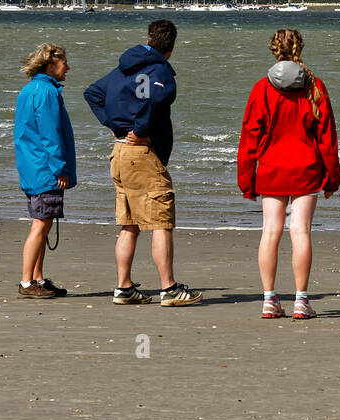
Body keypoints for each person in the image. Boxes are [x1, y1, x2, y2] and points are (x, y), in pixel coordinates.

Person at [84, 20, 200, 307]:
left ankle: (124, 288)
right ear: (172, 46)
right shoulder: (159, 70)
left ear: (149, 39)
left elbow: (93, 93)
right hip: (142, 153)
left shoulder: (126, 67)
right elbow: (153, 98)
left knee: (130, 222)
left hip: (120, 152)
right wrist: (140, 128)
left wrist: (114, 125)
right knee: (161, 222)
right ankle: (169, 288)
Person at [237, 28, 340, 319]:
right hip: (306, 168)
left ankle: (269, 299)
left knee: (270, 231)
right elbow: (327, 139)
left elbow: (249, 139)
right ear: (300, 49)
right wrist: (332, 179)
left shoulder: (261, 89)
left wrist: (246, 181)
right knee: (301, 231)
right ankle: (301, 301)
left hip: (271, 170)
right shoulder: (315, 86)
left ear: (274, 50)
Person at [13, 43, 76, 299]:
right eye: (64, 62)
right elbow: (51, 134)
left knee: (44, 224)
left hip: (31, 167)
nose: (68, 67)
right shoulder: (47, 91)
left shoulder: (29, 90)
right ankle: (27, 282)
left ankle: (37, 277)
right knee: (41, 225)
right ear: (51, 64)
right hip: (45, 170)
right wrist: (60, 168)